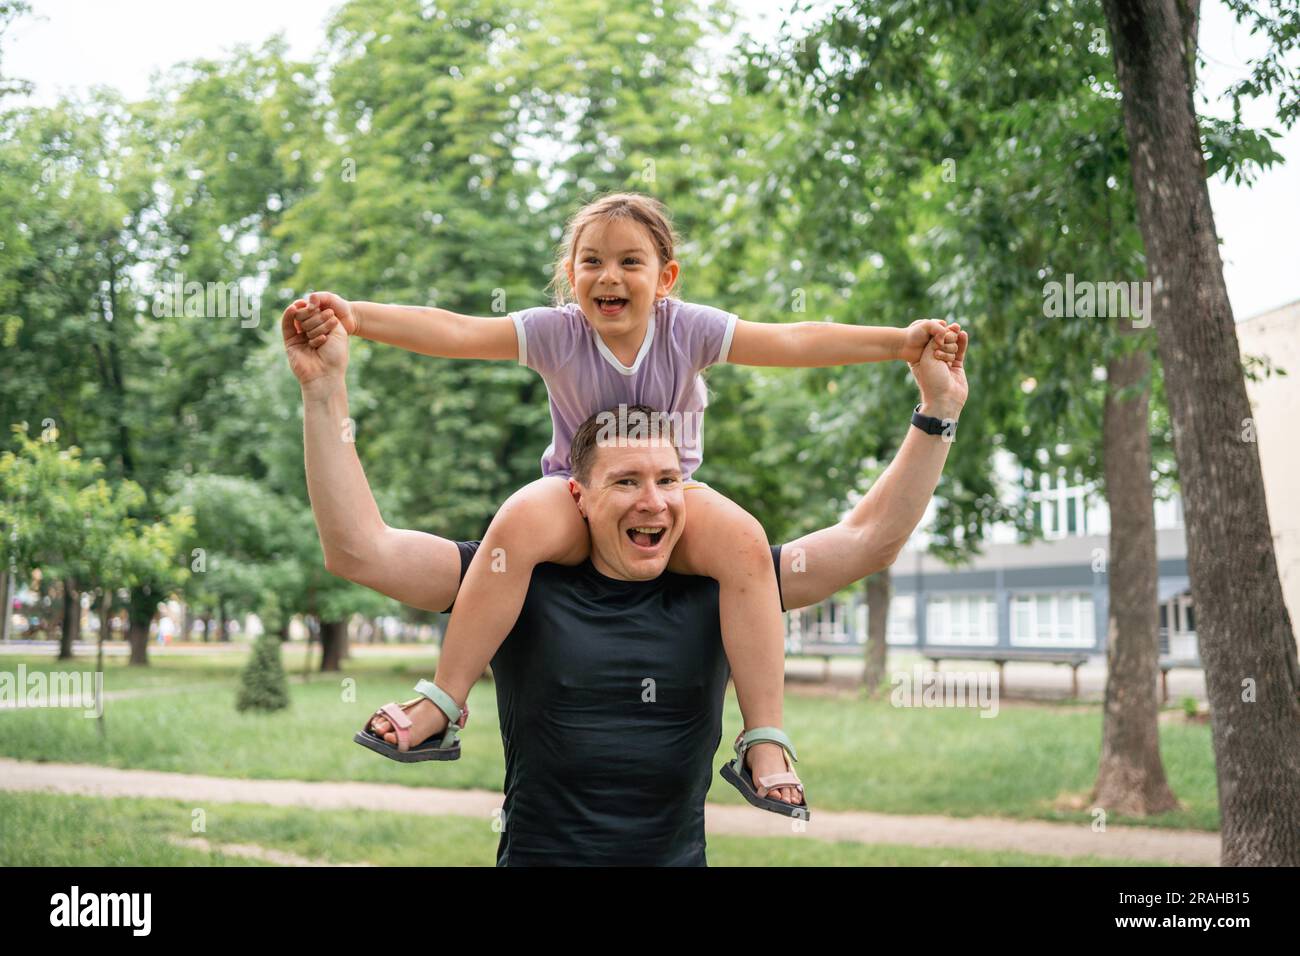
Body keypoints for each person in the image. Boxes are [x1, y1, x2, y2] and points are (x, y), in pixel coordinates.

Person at [283, 191, 959, 807]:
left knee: (748, 543)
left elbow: (791, 340)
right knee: (515, 522)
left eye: (630, 261)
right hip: (570, 495)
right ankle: (443, 700)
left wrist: (897, 345)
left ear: (666, 278)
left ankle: (764, 734)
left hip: (677, 495)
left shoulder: (688, 329)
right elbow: (458, 331)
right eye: (591, 262)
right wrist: (358, 318)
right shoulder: (555, 332)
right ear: (570, 276)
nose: (609, 277)